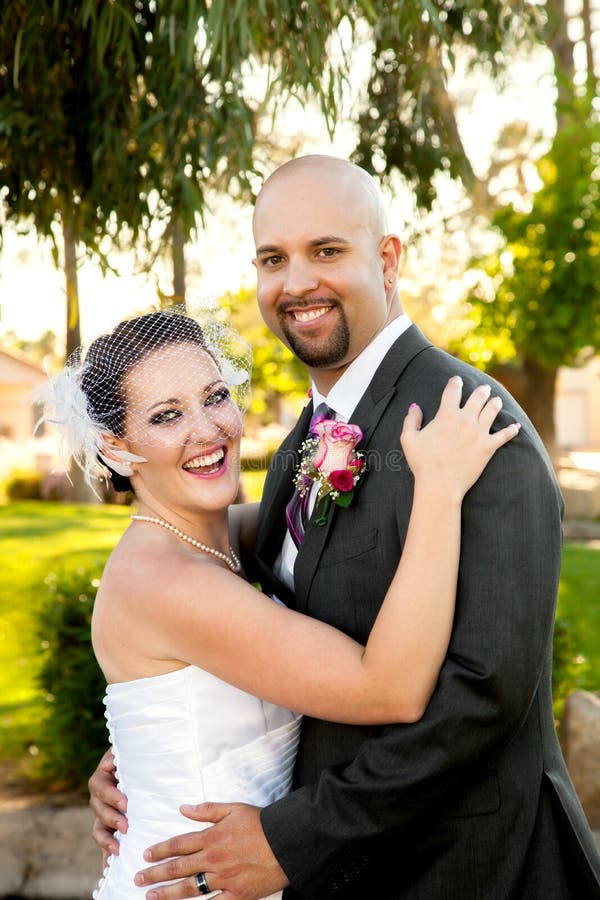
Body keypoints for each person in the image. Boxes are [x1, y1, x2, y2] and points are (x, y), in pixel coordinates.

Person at [89, 157, 600, 900]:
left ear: (386, 259)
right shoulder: (306, 439)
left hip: (468, 870)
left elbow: (484, 696)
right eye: (273, 258)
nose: (296, 284)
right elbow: (239, 625)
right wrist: (146, 752)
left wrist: (296, 839)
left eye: (327, 251)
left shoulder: (471, 429)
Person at [39, 306, 517, 900]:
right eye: (166, 416)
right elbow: (388, 687)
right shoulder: (164, 579)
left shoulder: (221, 537)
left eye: (214, 397)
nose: (207, 430)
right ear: (115, 448)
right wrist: (439, 491)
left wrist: (133, 756)